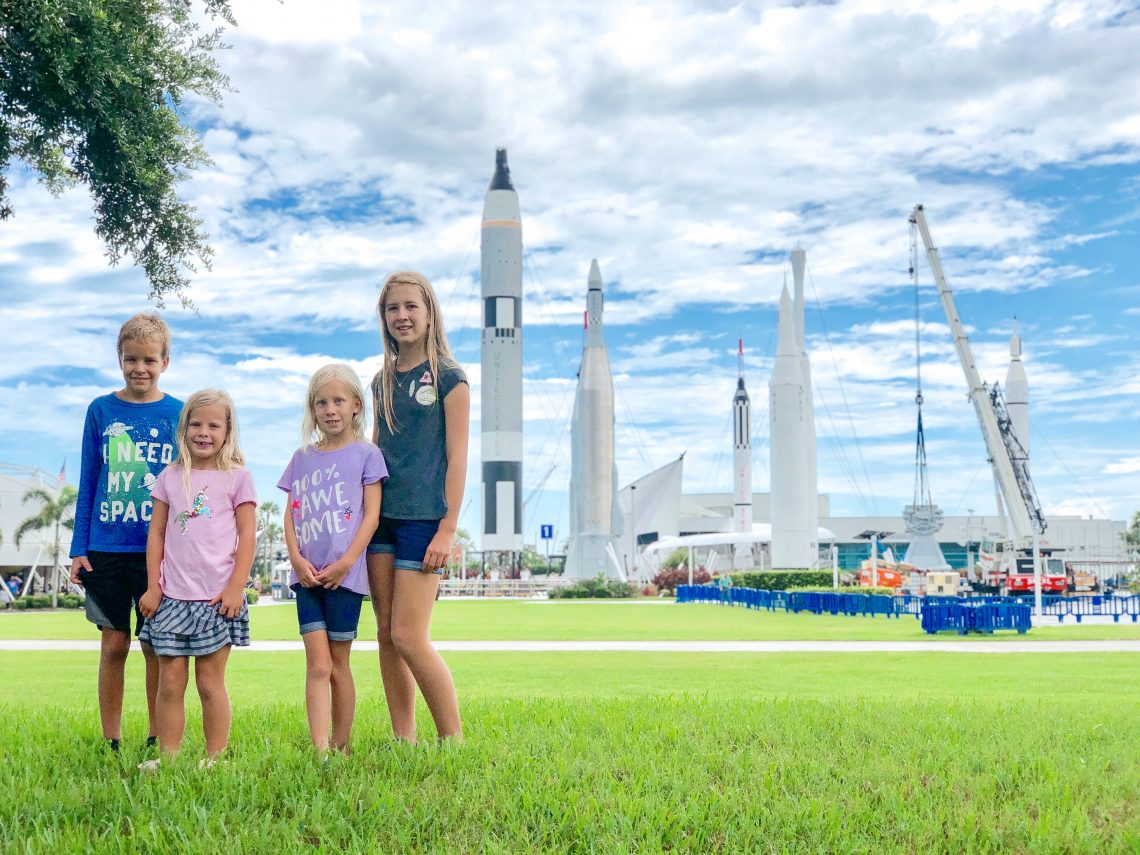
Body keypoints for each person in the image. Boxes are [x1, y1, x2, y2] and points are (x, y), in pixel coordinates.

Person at [69, 312, 182, 753]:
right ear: (120, 360)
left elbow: (187, 483)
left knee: (155, 645)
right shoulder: (100, 410)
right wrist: (79, 547)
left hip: (159, 550)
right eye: (131, 359)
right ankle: (110, 739)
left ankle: (156, 735)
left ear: (165, 362)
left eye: (149, 360)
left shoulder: (178, 413)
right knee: (114, 644)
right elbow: (89, 480)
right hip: (106, 548)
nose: (140, 368)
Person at [367, 271, 469, 744]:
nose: (402, 316)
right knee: (386, 635)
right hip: (380, 521)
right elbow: (373, 455)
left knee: (409, 635)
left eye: (411, 306)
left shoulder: (449, 377)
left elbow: (458, 457)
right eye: (393, 308)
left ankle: (453, 741)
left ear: (429, 313)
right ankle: (403, 739)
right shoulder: (381, 381)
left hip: (424, 520)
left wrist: (447, 529)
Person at [137, 389, 256, 769]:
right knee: (170, 683)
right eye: (196, 424)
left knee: (209, 683)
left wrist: (236, 587)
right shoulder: (169, 477)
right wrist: (153, 586)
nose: (204, 432)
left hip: (216, 600)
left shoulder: (237, 478)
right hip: (172, 598)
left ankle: (214, 758)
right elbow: (156, 534)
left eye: (214, 426)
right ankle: (168, 757)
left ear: (228, 431)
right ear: (184, 428)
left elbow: (248, 536)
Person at [278, 364, 386, 755]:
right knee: (318, 665)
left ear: (356, 405)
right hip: (307, 577)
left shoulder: (367, 454)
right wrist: (296, 559)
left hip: (345, 577)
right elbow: (290, 513)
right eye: (321, 402)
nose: (330, 410)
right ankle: (321, 749)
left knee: (338, 664)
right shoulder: (302, 457)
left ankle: (341, 745)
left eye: (338, 401)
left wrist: (346, 563)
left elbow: (371, 516)